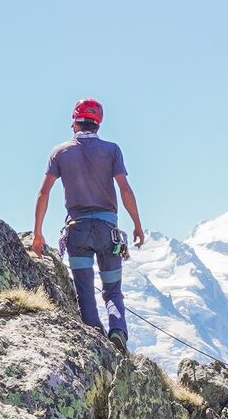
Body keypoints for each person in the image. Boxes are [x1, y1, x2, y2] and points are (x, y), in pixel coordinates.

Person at [30, 98, 145, 348]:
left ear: (74, 122)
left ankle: (95, 338)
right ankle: (118, 331)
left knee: (85, 291)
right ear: (98, 124)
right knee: (112, 290)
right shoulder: (112, 150)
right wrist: (137, 224)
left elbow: (43, 193)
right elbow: (124, 189)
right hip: (108, 232)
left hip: (77, 231)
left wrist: (37, 233)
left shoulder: (60, 152)